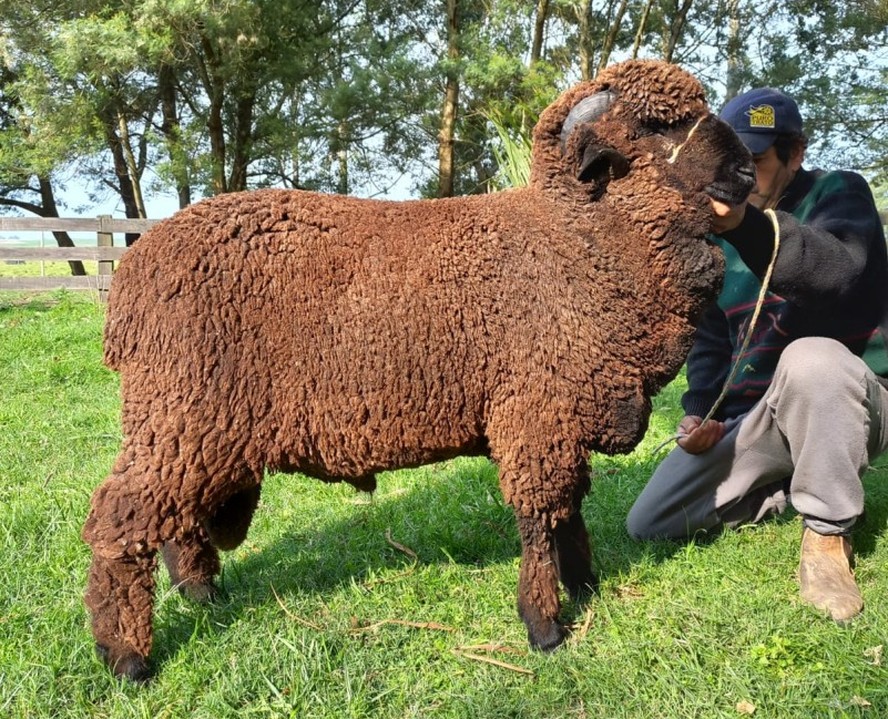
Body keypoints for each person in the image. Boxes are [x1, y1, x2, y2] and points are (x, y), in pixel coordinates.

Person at [626, 87, 888, 622]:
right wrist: (701, 412)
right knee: (652, 521)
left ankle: (827, 535)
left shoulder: (840, 193)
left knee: (811, 359)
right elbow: (710, 340)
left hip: (855, 401)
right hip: (764, 414)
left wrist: (745, 224)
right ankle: (791, 484)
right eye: (729, 160)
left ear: (796, 153)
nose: (740, 175)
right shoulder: (717, 238)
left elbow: (840, 274)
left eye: (756, 160)